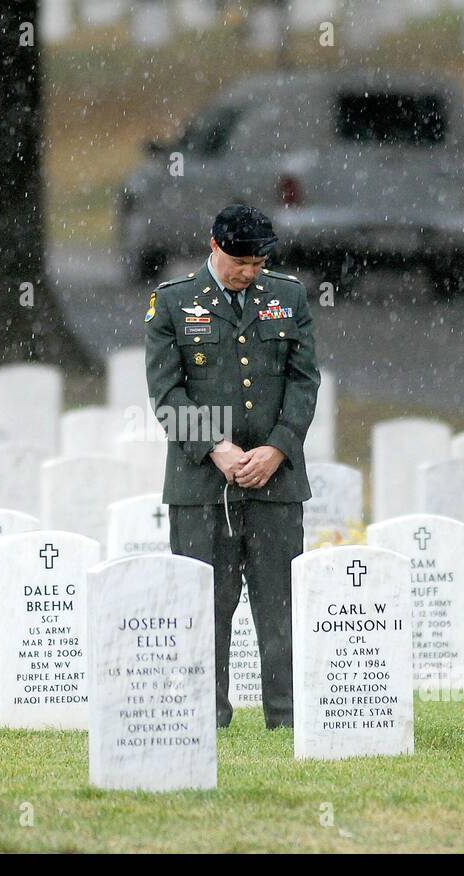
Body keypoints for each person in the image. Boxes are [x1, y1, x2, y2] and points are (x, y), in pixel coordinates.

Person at [145, 204, 320, 729]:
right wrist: (217, 447)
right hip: (202, 483)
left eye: (259, 262)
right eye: (241, 261)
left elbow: (303, 379)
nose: (250, 272)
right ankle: (206, 713)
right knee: (206, 604)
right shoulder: (173, 303)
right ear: (214, 246)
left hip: (276, 480)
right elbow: (166, 392)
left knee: (279, 604)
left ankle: (285, 717)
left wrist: (278, 448)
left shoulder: (287, 297)